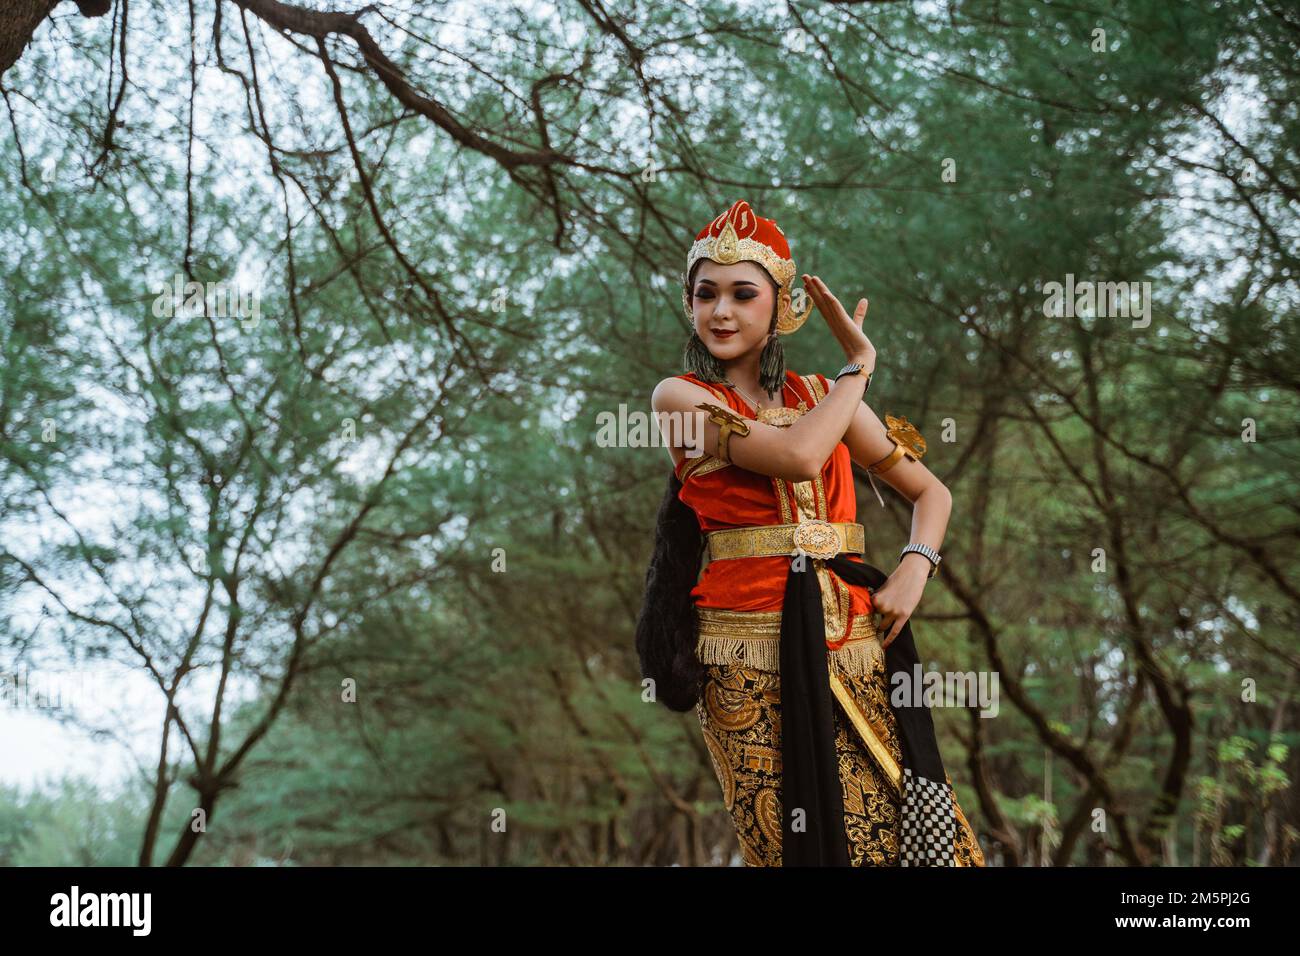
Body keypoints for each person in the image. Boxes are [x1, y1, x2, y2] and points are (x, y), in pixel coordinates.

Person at [636, 198, 985, 867]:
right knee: (797, 845)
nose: (722, 312)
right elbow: (796, 454)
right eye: (706, 294)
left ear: (784, 307)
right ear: (689, 303)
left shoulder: (829, 392)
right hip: (748, 657)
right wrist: (858, 372)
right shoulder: (679, 400)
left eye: (743, 294)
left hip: (860, 645)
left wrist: (914, 567)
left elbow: (930, 491)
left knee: (928, 841)